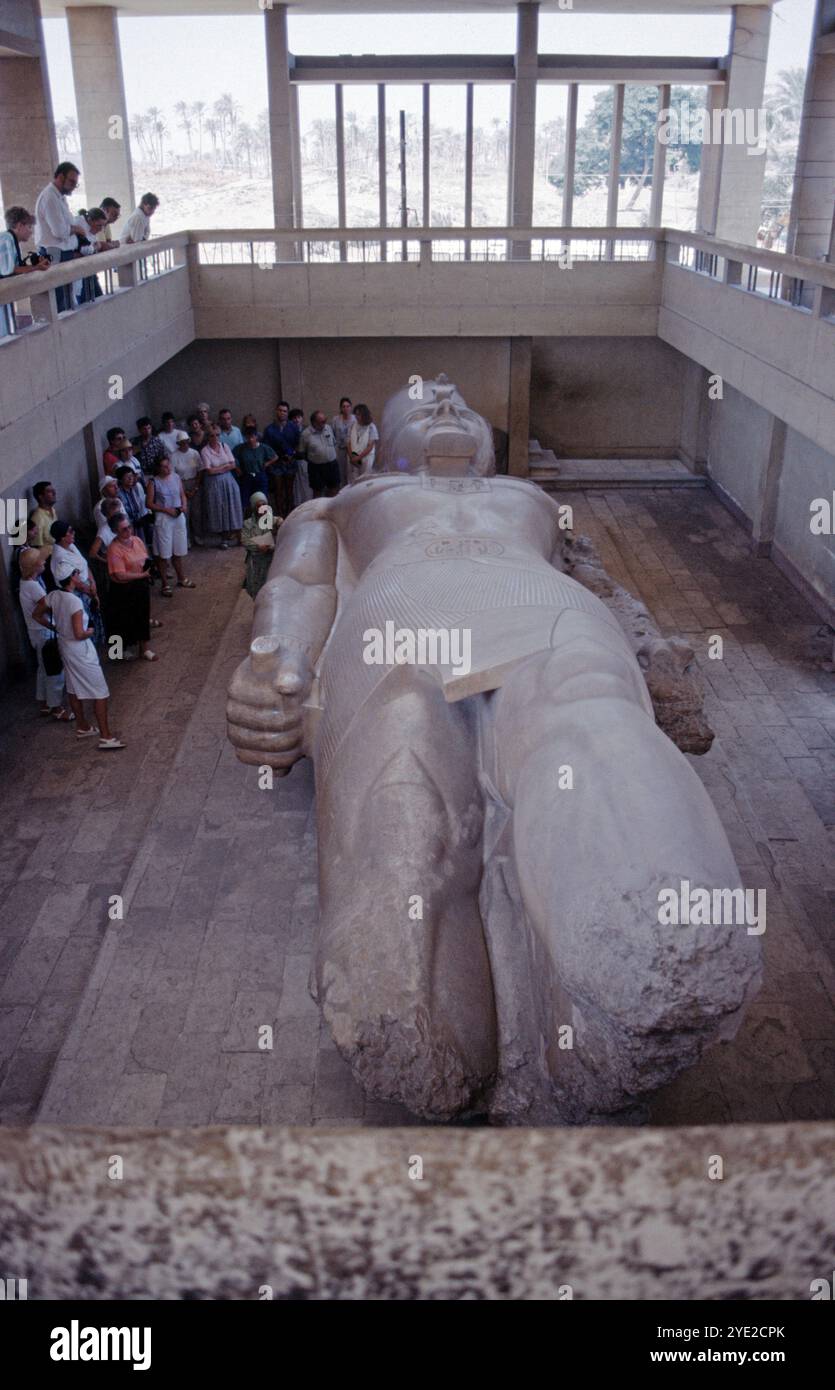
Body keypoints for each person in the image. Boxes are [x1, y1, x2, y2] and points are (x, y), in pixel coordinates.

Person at [33, 570, 124, 748]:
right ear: (72, 578)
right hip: (79, 650)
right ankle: (106, 737)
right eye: (77, 573)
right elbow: (79, 633)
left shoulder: (53, 595)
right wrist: (90, 631)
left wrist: (55, 627)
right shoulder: (74, 601)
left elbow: (36, 614)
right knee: (100, 692)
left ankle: (82, 726)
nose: (80, 575)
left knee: (73, 687)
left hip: (65, 646)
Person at [18, 548, 68, 720]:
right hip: (43, 632)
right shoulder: (33, 586)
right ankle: (56, 706)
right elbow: (46, 607)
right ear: (34, 565)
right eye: (41, 560)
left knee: (43, 668)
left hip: (35, 632)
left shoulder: (25, 583)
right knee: (54, 669)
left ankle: (45, 703)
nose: (44, 562)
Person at [106, 515, 159, 663]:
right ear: (115, 531)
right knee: (120, 622)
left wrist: (146, 571)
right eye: (124, 529)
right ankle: (117, 653)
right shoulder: (114, 549)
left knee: (142, 616)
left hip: (140, 585)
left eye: (129, 527)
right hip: (122, 589)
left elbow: (145, 558)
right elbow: (120, 575)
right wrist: (141, 574)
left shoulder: (137, 540)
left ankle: (144, 648)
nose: (128, 531)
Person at [34, 162, 86, 311]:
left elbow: (68, 224)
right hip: (55, 252)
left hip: (64, 252)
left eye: (75, 184)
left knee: (68, 299)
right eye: (71, 182)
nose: (73, 186)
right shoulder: (49, 197)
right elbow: (59, 231)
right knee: (59, 301)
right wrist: (76, 229)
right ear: (60, 176)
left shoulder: (60, 198)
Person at [50, 520, 105, 647]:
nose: (73, 533)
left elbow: (84, 565)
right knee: (85, 624)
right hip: (78, 594)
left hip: (88, 588)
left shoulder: (71, 546)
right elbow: (75, 581)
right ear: (63, 537)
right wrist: (91, 593)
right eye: (70, 531)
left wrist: (93, 582)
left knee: (94, 622)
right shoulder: (60, 557)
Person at [147, 454, 195, 596]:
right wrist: (166, 509)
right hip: (164, 518)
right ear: (158, 468)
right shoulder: (153, 482)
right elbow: (149, 503)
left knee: (178, 550)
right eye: (163, 466)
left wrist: (184, 505)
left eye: (168, 465)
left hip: (178, 516)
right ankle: (165, 584)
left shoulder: (175, 477)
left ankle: (181, 577)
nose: (167, 468)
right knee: (163, 553)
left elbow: (182, 495)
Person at [0, 208, 50, 335]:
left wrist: (35, 265)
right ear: (19, 225)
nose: (31, 232)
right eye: (29, 227)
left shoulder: (10, 239)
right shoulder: (7, 239)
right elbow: (10, 270)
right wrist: (37, 268)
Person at [200, 422, 242, 548]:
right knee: (219, 509)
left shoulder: (224, 446)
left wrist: (219, 468)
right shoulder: (205, 451)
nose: (215, 438)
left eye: (217, 435)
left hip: (228, 481)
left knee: (233, 507)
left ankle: (238, 536)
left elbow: (233, 464)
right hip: (214, 483)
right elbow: (209, 470)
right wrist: (225, 467)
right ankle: (223, 539)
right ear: (208, 437)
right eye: (212, 436)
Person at [262, 402, 300, 518]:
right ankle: (279, 517)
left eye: (284, 411)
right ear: (276, 411)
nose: (282, 413)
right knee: (279, 492)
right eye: (280, 410)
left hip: (290, 463)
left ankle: (290, 516)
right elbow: (266, 448)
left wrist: (291, 454)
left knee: (289, 491)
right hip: (276, 464)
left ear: (287, 413)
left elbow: (298, 444)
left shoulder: (293, 427)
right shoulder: (269, 429)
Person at [241, 492, 280, 600]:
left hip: (269, 559)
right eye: (258, 506)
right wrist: (258, 546)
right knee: (257, 589)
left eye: (264, 505)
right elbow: (245, 541)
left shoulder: (271, 520)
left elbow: (280, 521)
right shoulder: (248, 524)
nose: (262, 508)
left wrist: (281, 523)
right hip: (256, 561)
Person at [233, 424, 276, 509]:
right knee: (245, 500)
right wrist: (237, 469)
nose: (250, 439)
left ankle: (263, 519)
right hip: (247, 476)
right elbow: (231, 457)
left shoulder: (263, 447)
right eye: (248, 437)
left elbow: (275, 456)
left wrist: (267, 463)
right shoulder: (241, 448)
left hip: (260, 475)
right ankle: (246, 519)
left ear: (256, 436)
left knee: (262, 499)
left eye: (252, 437)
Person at [171, 431, 203, 543]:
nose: (184, 444)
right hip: (180, 484)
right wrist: (183, 491)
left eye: (186, 442)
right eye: (182, 442)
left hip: (194, 482)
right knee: (185, 513)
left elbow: (199, 471)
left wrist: (195, 488)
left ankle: (198, 536)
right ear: (178, 443)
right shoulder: (174, 456)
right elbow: (173, 475)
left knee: (197, 512)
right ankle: (187, 538)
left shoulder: (194, 453)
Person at [300, 410, 340, 499]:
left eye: (325, 420)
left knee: (334, 489)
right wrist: (314, 458)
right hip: (316, 468)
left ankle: (331, 511)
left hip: (332, 465)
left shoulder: (328, 428)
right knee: (317, 492)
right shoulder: (305, 434)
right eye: (322, 422)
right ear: (314, 422)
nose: (325, 423)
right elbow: (302, 452)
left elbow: (334, 443)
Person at [74, 206, 108, 304]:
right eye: (99, 225)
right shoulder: (79, 225)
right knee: (85, 303)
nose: (100, 229)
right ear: (90, 220)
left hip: (88, 269)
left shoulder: (89, 227)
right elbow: (86, 250)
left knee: (98, 299)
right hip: (78, 271)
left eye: (103, 226)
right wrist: (96, 247)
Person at [115, 463, 153, 548]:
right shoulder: (119, 494)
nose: (130, 479)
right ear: (121, 480)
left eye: (131, 476)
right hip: (127, 525)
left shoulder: (135, 489)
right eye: (127, 477)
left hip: (138, 523)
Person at [331, 397, 356, 490]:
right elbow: (332, 433)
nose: (346, 408)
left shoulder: (355, 419)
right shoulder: (336, 419)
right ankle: (342, 490)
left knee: (351, 470)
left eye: (348, 406)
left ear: (351, 407)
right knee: (340, 470)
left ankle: (351, 490)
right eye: (343, 406)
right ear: (341, 408)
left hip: (352, 449)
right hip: (340, 448)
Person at [348, 403, 379, 477]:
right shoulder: (352, 425)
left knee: (364, 478)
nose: (356, 416)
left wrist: (358, 458)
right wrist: (352, 457)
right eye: (356, 414)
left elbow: (370, 446)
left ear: (364, 414)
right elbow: (348, 442)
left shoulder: (371, 427)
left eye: (358, 414)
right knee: (353, 477)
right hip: (353, 456)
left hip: (366, 457)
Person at [31, 481, 58, 553]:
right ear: (41, 497)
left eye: (53, 490)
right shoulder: (37, 518)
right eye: (49, 491)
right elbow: (37, 547)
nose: (54, 493)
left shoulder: (52, 510)